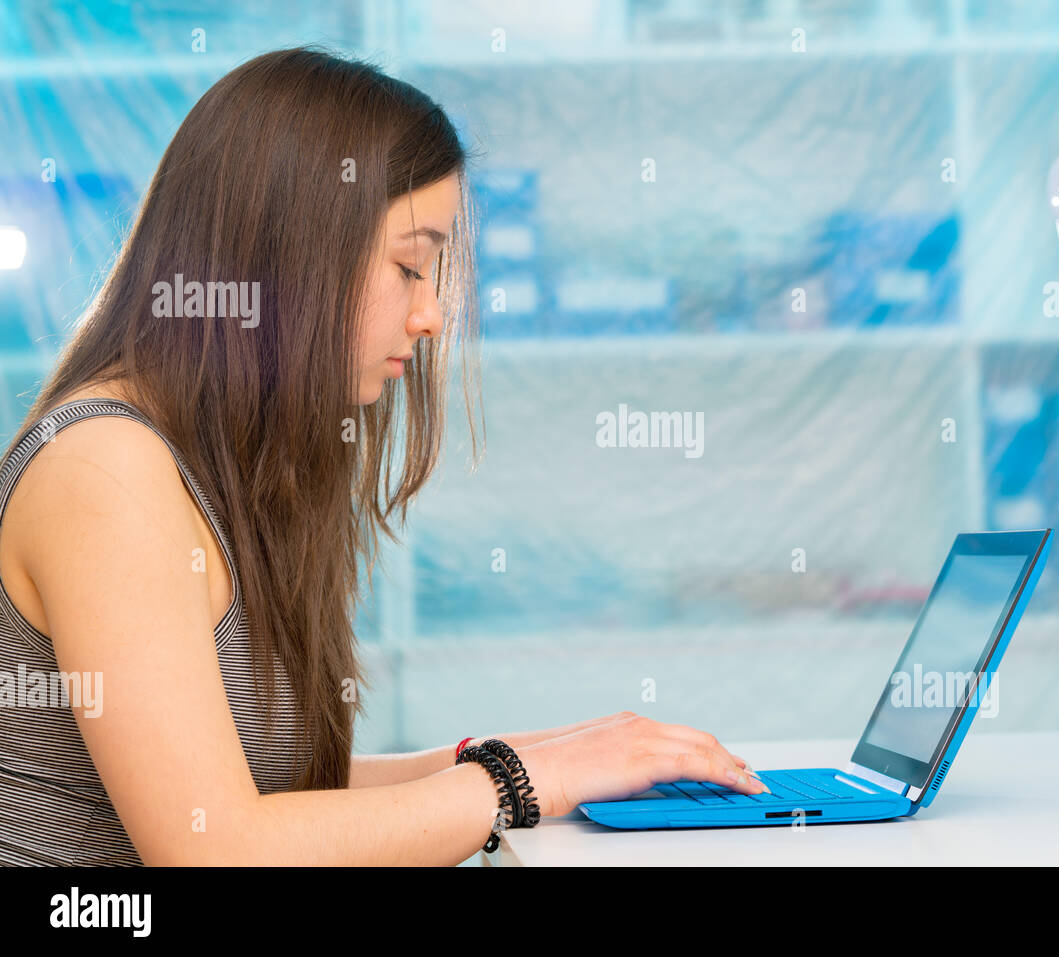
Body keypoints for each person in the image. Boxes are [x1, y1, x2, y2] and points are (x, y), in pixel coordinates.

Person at [0, 47, 764, 866]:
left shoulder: (203, 463)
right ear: (286, 252)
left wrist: (570, 756)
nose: (431, 314)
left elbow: (275, 793)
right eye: (409, 266)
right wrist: (519, 777)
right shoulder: (104, 471)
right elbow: (218, 849)